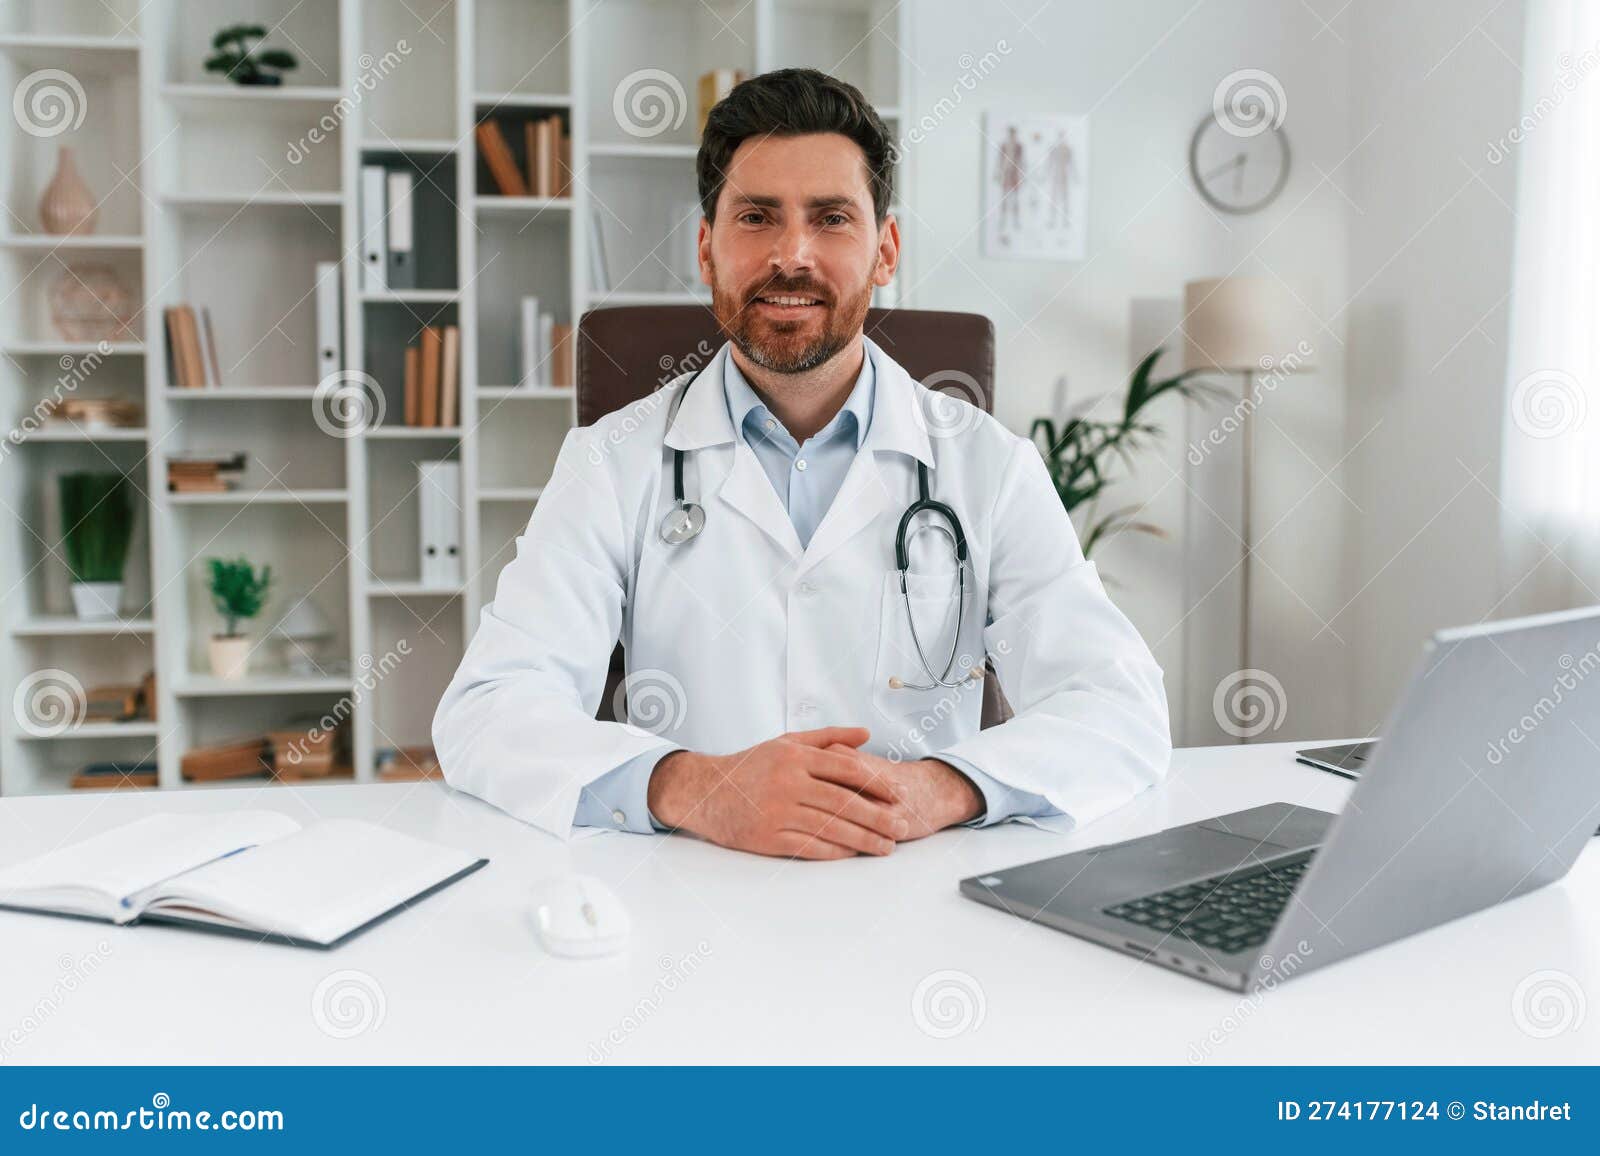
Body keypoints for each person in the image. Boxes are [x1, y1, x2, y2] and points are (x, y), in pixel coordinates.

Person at [433, 68, 1171, 859]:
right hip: (689, 891)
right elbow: (490, 708)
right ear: (707, 249)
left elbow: (1118, 705)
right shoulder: (613, 462)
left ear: (884, 250)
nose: (792, 255)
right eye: (756, 217)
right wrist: (700, 788)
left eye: (831, 218)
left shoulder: (989, 467)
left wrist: (933, 788)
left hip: (912, 891)